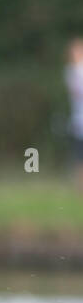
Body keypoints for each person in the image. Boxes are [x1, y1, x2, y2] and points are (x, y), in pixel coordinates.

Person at [68, 38, 83, 193]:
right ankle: (80, 189)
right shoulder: (71, 72)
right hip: (80, 122)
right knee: (80, 158)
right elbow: (77, 92)